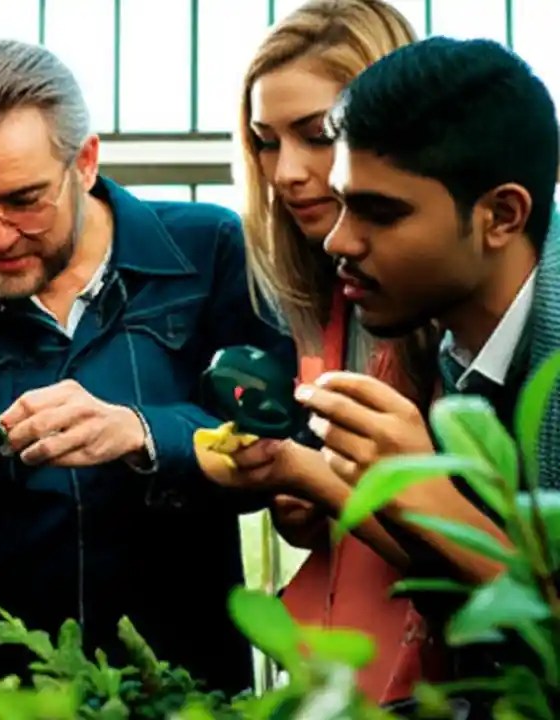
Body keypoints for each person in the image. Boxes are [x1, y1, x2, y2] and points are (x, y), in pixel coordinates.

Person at [0, 38, 295, 693]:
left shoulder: (211, 253)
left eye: (23, 199)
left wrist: (144, 431)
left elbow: (284, 447)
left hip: (186, 687)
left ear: (86, 162)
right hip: (11, 695)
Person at [215, 0, 442, 703]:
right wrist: (307, 510)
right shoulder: (322, 305)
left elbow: (469, 551)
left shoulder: (457, 308)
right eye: (264, 140)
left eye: (316, 135)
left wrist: (314, 476)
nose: (285, 172)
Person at [296, 35, 560, 578]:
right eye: (344, 203)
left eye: (381, 212)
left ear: (502, 215)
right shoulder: (456, 343)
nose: (338, 242)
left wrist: (427, 496)